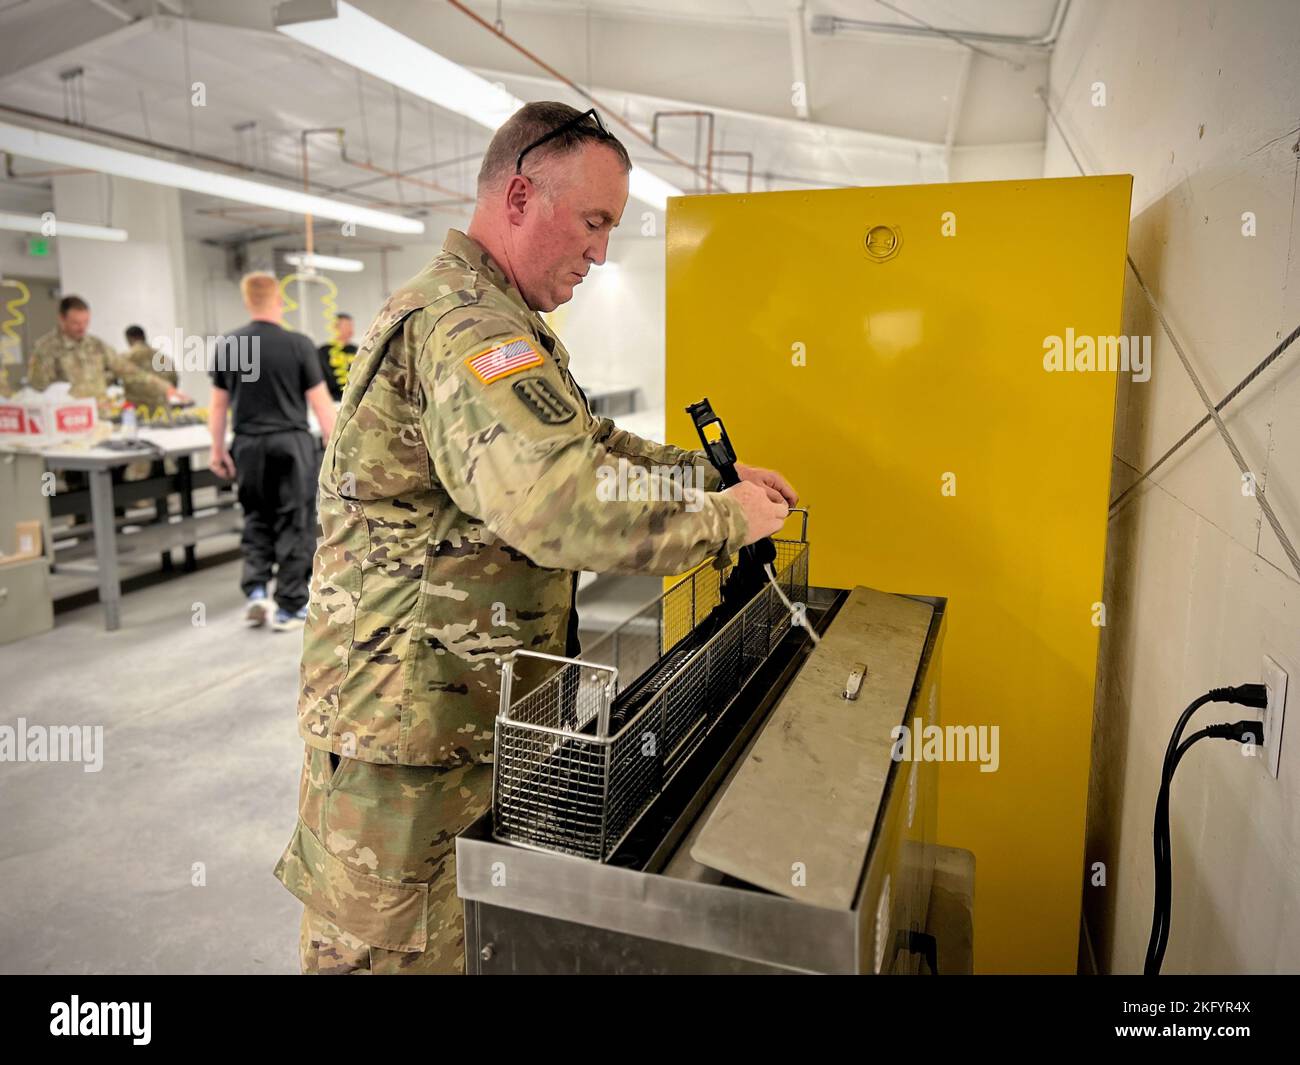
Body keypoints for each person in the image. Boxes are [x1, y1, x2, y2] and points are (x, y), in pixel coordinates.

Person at [272, 101, 797, 974]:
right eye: (593, 222)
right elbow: (553, 501)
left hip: (462, 728)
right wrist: (722, 522)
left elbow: (588, 447)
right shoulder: (464, 328)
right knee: (401, 960)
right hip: (408, 760)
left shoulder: (506, 323)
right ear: (519, 197)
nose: (600, 252)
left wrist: (707, 477)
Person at [208, 273, 336, 632]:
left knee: (256, 517)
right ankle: (289, 607)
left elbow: (218, 407)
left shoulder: (230, 344)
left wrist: (217, 450)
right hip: (291, 444)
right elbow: (321, 404)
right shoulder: (299, 344)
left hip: (248, 445)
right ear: (279, 301)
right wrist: (334, 444)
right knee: (294, 522)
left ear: (248, 302)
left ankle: (256, 591)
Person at [27, 296, 184, 407]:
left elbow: (129, 371)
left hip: (100, 417)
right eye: (76, 323)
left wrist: (166, 388)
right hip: (68, 419)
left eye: (85, 322)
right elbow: (38, 388)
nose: (82, 328)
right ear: (62, 319)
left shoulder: (96, 345)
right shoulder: (46, 349)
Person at [315, 312, 357, 401]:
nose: (350, 329)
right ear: (335, 327)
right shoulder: (323, 351)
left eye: (351, 325)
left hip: (353, 399)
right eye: (346, 326)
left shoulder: (358, 350)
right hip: (331, 400)